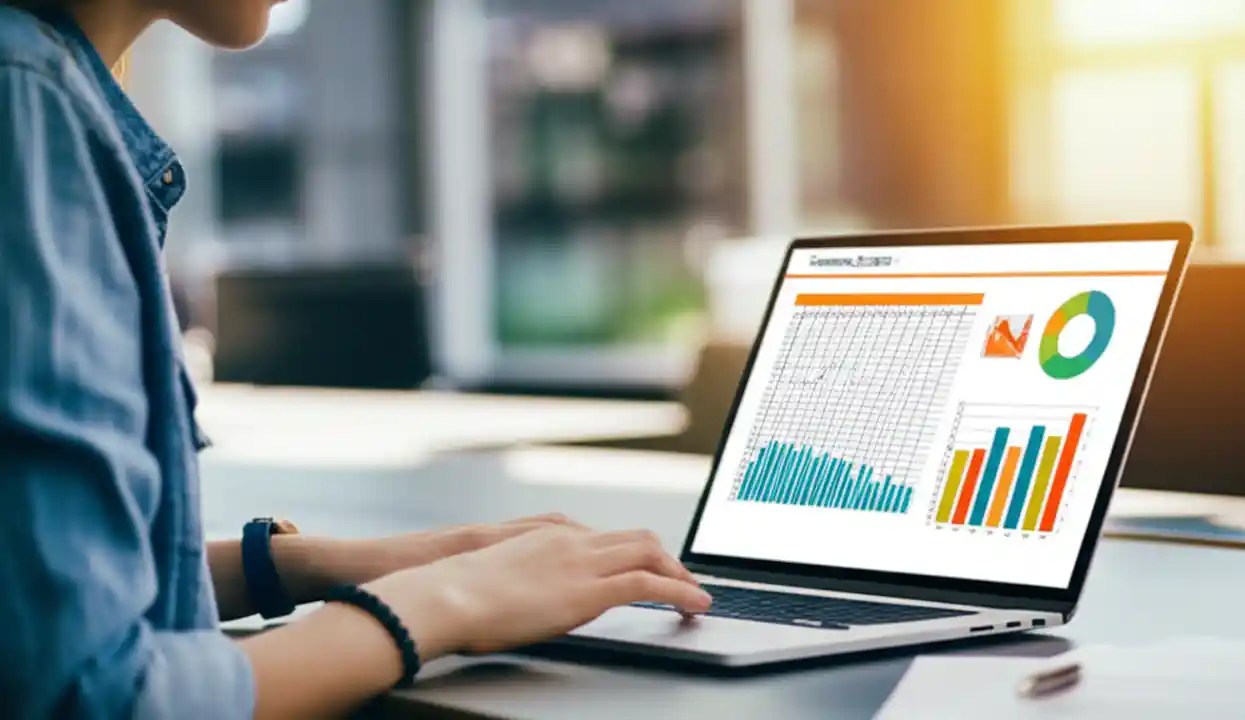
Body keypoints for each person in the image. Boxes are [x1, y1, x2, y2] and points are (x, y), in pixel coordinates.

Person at [0, 1, 712, 718]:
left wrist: (316, 565)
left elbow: (41, 595)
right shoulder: (24, 99)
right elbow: (90, 697)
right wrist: (448, 602)